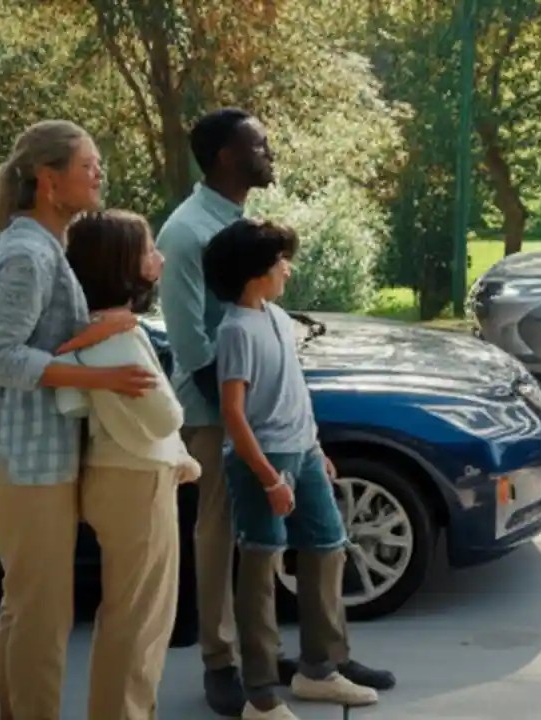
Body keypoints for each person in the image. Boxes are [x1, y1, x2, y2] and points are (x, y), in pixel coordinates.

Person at [157, 107, 392, 716]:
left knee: (309, 535)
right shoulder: (184, 233)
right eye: (259, 144)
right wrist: (242, 424)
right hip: (216, 412)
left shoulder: (241, 226)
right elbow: (189, 341)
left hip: (267, 415)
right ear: (226, 157)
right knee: (223, 538)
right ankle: (223, 663)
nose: (270, 153)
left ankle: (320, 658)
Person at [0, 120, 158, 719]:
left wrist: (95, 332)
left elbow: (36, 340)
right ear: (49, 181)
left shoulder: (40, 245)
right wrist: (103, 377)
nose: (99, 175)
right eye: (88, 166)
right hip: (21, 457)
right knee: (42, 614)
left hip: (25, 453)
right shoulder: (27, 251)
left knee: (25, 606)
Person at [204, 218, 379, 720]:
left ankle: (319, 669)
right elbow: (233, 414)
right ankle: (260, 695)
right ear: (255, 272)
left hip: (302, 452)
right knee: (260, 569)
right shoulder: (236, 330)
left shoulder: (277, 317)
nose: (288, 268)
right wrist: (267, 477)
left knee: (327, 547)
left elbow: (293, 392)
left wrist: (314, 447)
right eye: (281, 260)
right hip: (264, 462)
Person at [52, 209, 203, 719]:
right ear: (121, 264)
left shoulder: (95, 331)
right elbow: (167, 416)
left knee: (130, 616)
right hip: (137, 481)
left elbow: (73, 402)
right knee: (141, 621)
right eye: (148, 250)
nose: (159, 259)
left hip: (117, 474)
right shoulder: (116, 336)